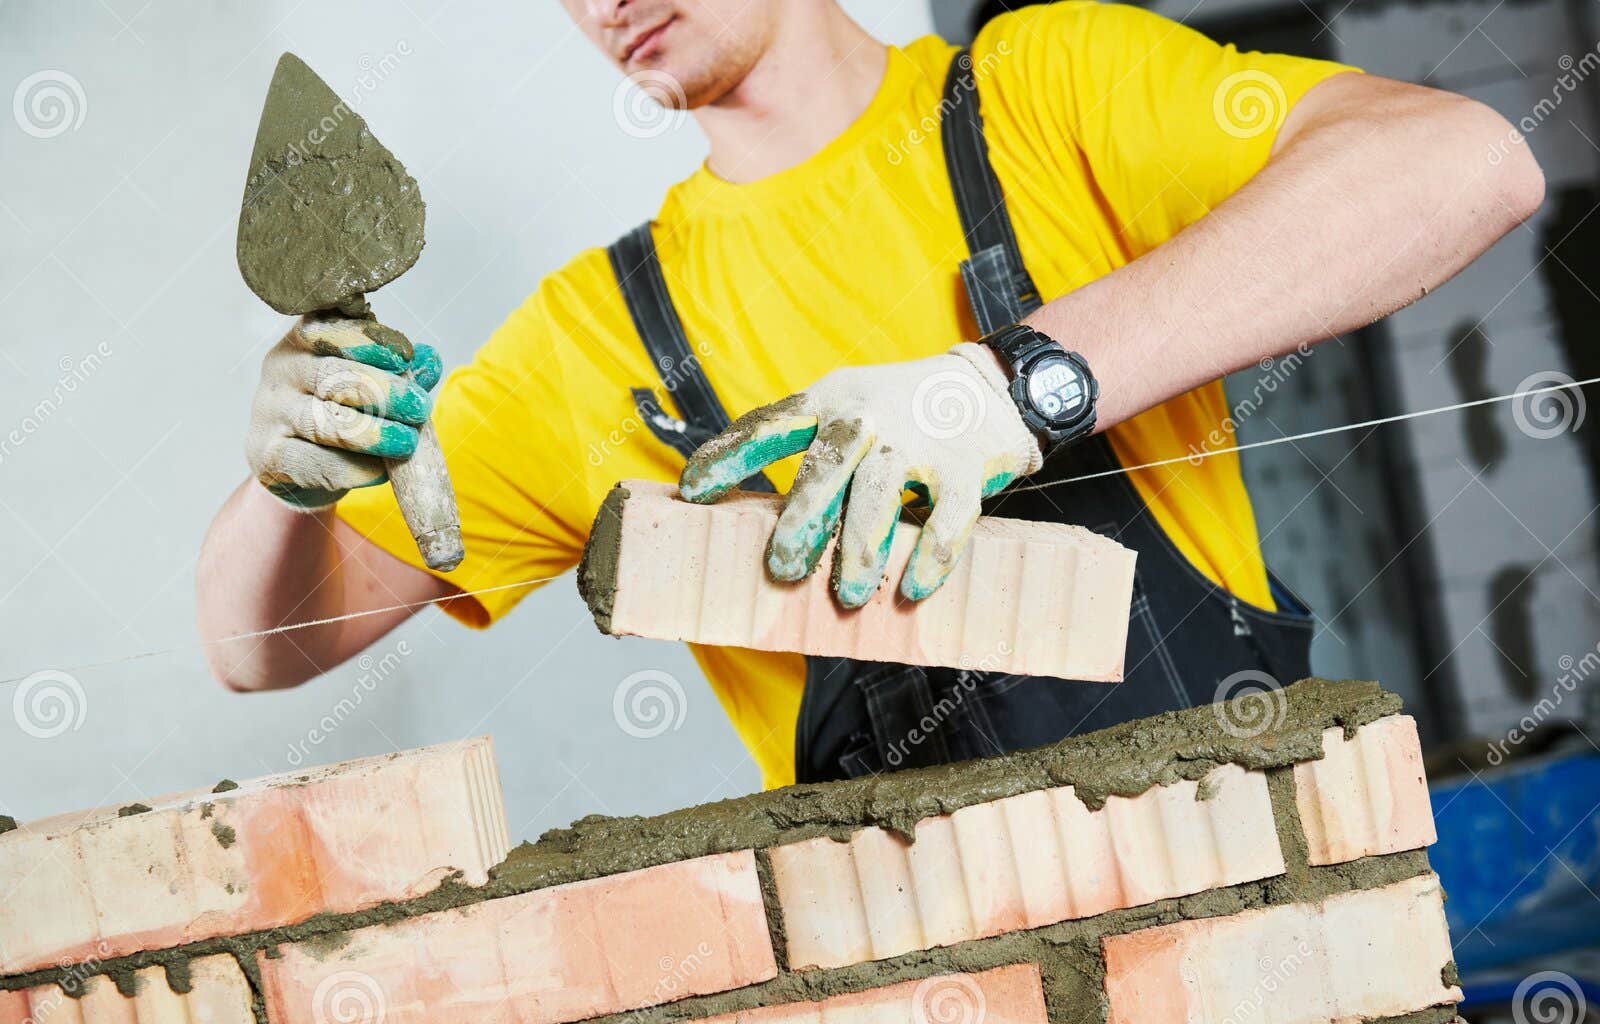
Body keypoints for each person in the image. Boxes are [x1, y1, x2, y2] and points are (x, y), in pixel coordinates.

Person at [198, 0, 1543, 789]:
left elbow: (1467, 162)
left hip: (1250, 903)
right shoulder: (590, 337)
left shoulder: (1040, 93)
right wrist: (284, 484)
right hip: (926, 1004)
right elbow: (263, 647)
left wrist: (1009, 388)